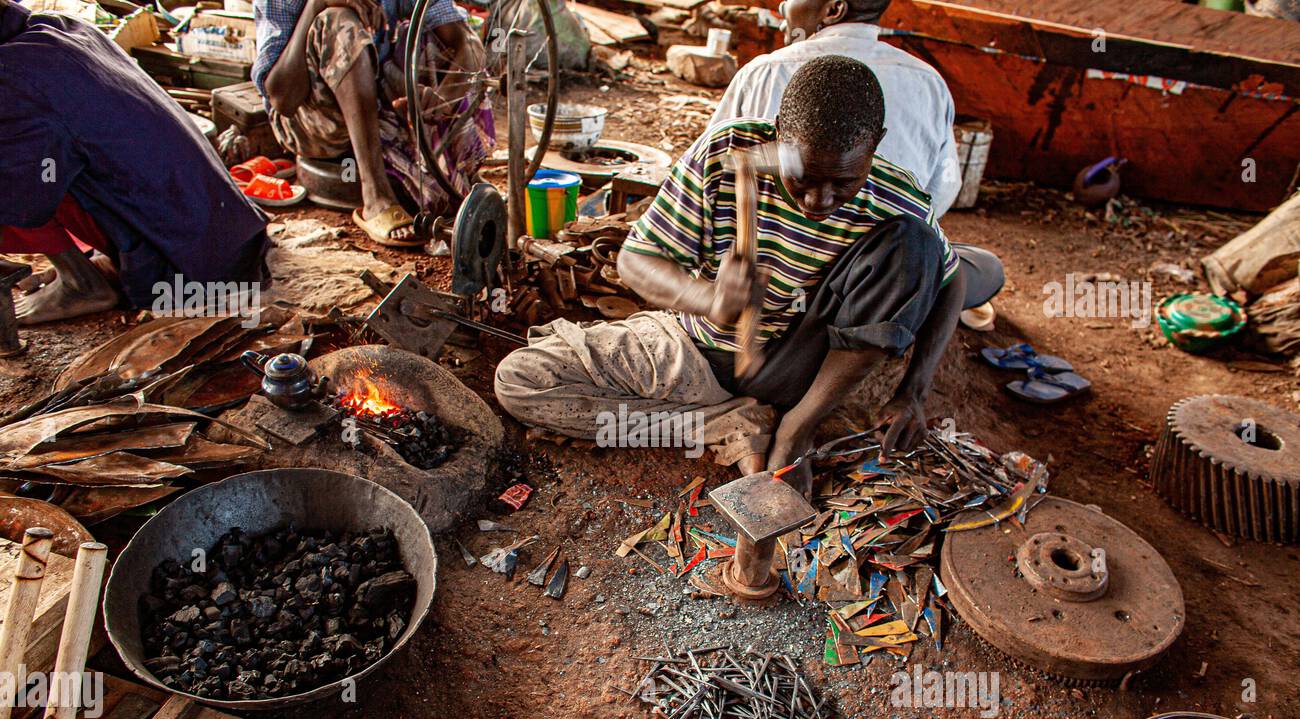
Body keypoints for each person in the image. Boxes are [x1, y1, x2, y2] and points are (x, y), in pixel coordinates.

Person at [496, 56, 966, 487]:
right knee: (520, 381)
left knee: (914, 243)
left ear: (876, 144)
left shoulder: (897, 194)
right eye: (801, 178)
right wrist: (708, 299)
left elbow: (951, 278)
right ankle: (727, 424)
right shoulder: (727, 152)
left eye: (843, 182)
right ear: (779, 132)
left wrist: (914, 392)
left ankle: (795, 431)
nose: (818, 202)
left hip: (807, 370)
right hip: (696, 352)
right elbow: (634, 261)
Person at [710, 0, 1003, 317]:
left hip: (768, 271)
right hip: (870, 276)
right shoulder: (929, 83)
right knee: (983, 267)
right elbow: (941, 190)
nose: (783, 5)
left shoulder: (762, 72)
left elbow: (715, 167)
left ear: (834, 8)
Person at [0, 0, 269, 325]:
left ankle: (80, 282)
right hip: (232, 239)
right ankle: (95, 266)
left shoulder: (11, 74)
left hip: (189, 271)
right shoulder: (59, 27)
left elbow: (25, 201)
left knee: (17, 173)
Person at [253, 0, 492, 246]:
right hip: (311, 124)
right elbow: (283, 100)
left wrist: (441, 101)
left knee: (432, 35)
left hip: (384, 109)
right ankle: (376, 195)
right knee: (337, 21)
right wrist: (317, 4)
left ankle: (453, 165)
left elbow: (467, 42)